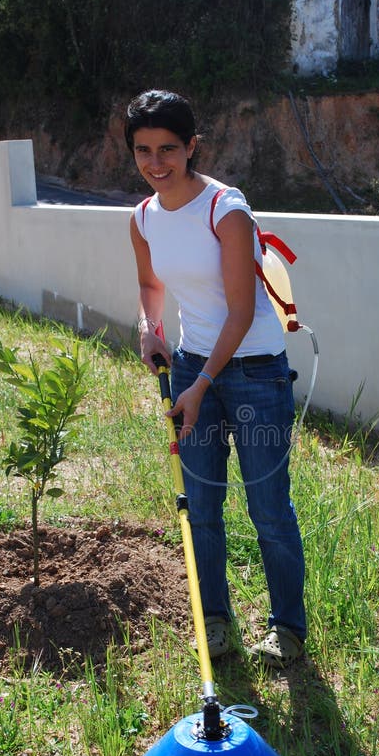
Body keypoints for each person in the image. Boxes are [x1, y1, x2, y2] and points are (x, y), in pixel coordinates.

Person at [125, 88, 306, 668]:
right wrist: (150, 327)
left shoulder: (226, 209)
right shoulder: (142, 217)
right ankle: (217, 622)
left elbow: (243, 310)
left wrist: (200, 386)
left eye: (169, 149)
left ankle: (286, 630)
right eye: (144, 150)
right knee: (199, 506)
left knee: (268, 510)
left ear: (192, 147)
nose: (156, 163)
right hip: (189, 365)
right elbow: (151, 286)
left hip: (253, 375)